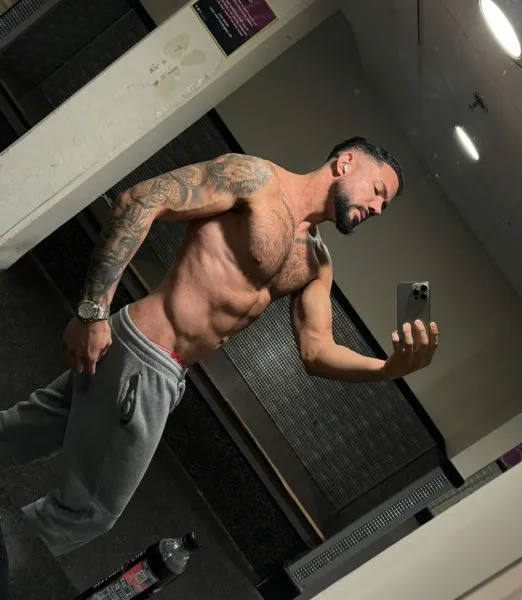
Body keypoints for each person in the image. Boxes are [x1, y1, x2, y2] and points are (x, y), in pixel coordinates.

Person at [0, 136, 439, 556]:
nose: (377, 208)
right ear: (345, 163)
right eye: (378, 191)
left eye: (384, 206)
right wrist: (93, 312)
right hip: (149, 356)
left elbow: (316, 350)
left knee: (28, 428)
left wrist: (386, 369)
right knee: (89, 512)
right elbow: (142, 200)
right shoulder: (256, 180)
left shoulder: (317, 263)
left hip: (161, 366)